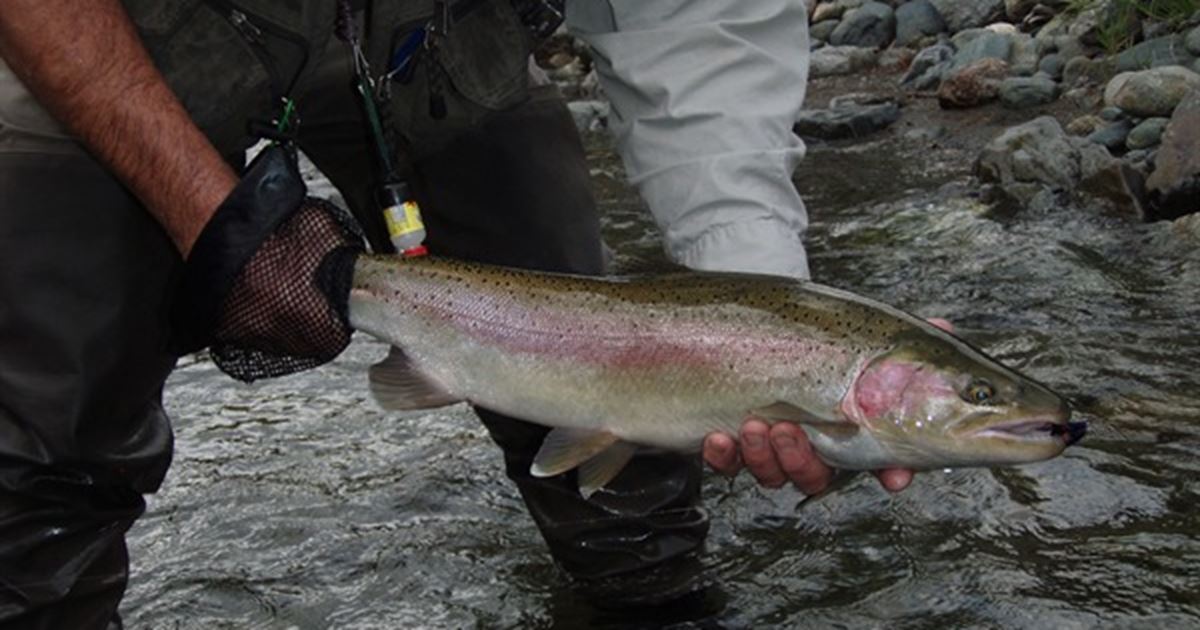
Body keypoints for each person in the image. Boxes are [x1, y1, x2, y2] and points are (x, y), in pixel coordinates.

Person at [0, 1, 911, 627]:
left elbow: (692, 21)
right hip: (107, 30)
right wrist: (217, 221)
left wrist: (763, 327)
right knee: (38, 450)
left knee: (619, 392)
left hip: (431, 33)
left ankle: (656, 605)